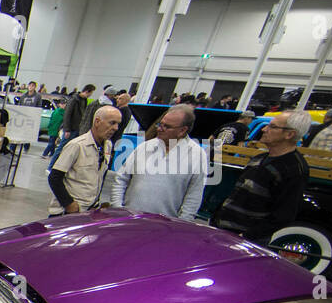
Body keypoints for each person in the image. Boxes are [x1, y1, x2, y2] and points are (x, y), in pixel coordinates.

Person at [211, 110, 312, 244]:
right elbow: (237, 194)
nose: (264, 129)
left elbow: (284, 215)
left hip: (244, 241)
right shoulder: (259, 159)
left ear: (289, 134)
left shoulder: (294, 169)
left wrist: (247, 236)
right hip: (223, 231)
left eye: (272, 127)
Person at [110, 104, 206, 221]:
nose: (159, 129)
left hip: (164, 229)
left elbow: (193, 196)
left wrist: (180, 225)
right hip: (129, 221)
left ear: (182, 130)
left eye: (167, 126)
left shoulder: (197, 155)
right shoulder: (145, 147)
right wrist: (117, 209)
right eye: (160, 124)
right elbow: (121, 179)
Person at [47, 105, 121, 216]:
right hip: (67, 212)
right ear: (97, 122)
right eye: (112, 123)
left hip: (89, 211)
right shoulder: (77, 146)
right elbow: (54, 178)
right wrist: (69, 204)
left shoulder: (108, 146)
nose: (116, 128)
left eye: (118, 124)